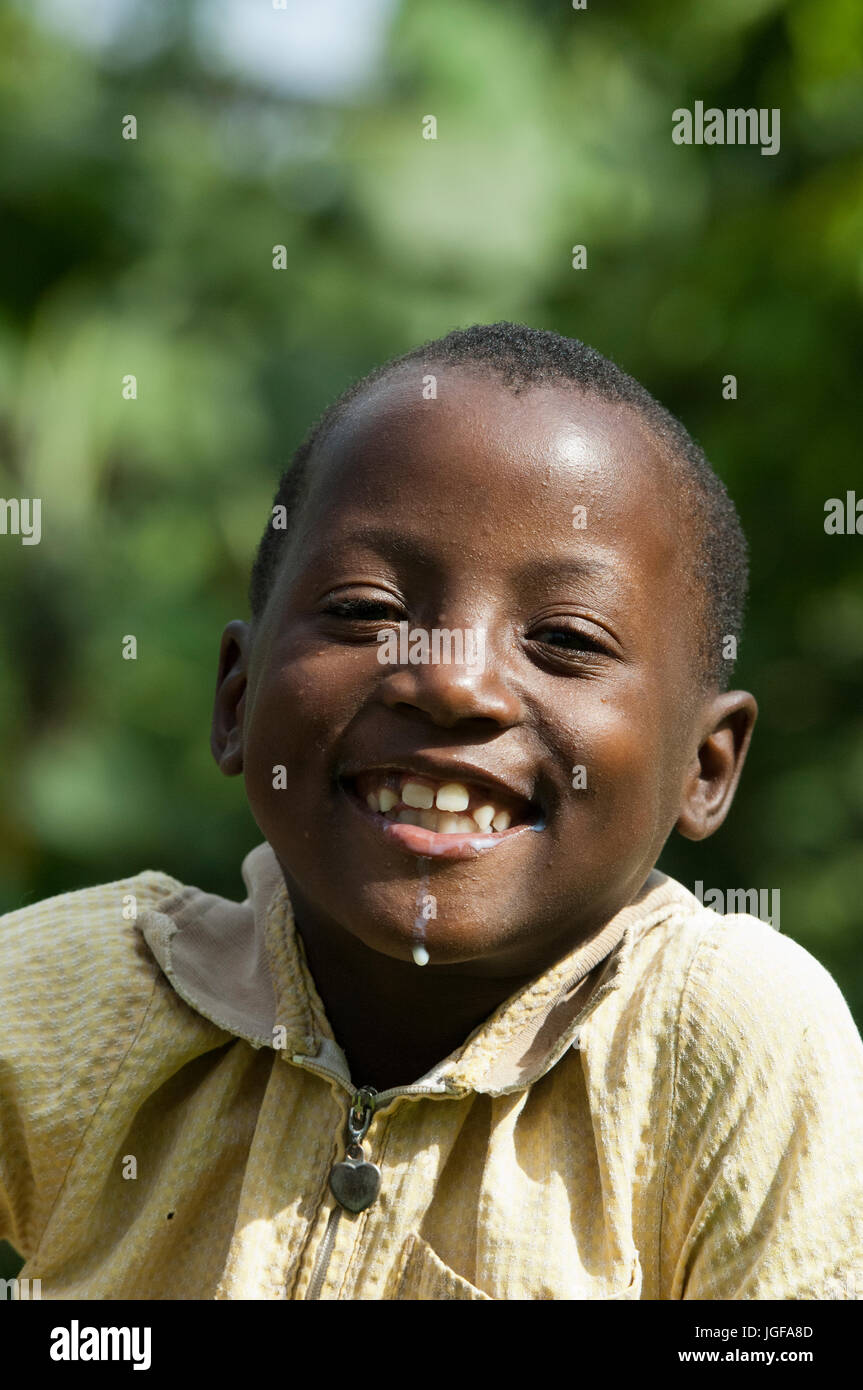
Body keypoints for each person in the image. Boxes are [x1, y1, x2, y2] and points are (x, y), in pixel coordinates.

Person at [1, 322, 861, 1300]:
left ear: (702, 768)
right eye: (367, 610)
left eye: (564, 639)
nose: (451, 682)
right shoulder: (91, 992)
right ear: (237, 698)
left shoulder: (720, 1035)